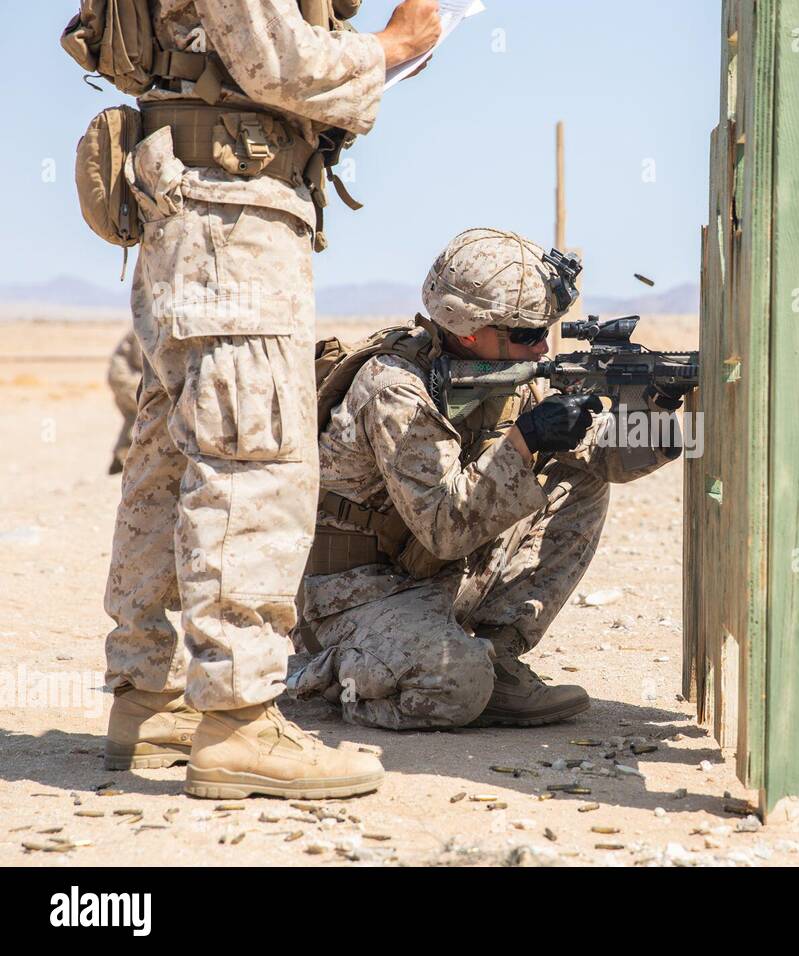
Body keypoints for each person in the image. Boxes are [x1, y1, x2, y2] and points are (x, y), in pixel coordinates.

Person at [102, 0, 444, 801]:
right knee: (255, 461)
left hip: (191, 207)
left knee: (171, 455)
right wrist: (393, 48)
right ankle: (238, 721)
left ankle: (147, 698)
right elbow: (275, 62)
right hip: (231, 215)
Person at [288, 227, 692, 730]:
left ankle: (495, 660)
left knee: (579, 479)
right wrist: (524, 440)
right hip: (362, 594)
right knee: (456, 685)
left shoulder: (502, 373)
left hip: (433, 577)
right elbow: (445, 527)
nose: (542, 346)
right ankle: (325, 674)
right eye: (526, 335)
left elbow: (604, 458)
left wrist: (660, 408)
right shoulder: (395, 391)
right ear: (469, 330)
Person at [106, 330, 143, 475]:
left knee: (133, 416)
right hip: (125, 379)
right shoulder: (144, 327)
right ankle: (126, 459)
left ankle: (119, 460)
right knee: (145, 412)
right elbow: (143, 360)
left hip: (121, 378)